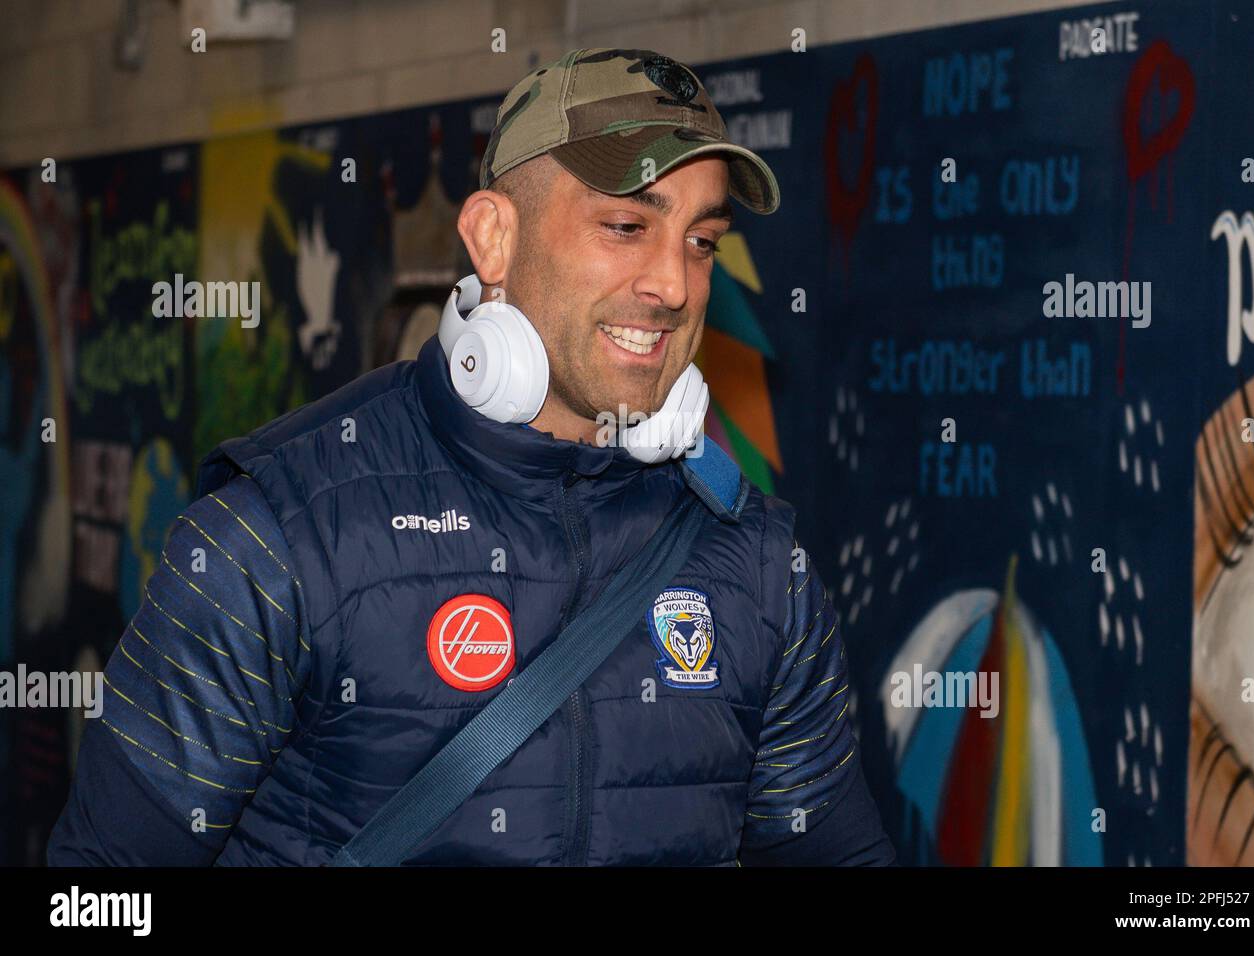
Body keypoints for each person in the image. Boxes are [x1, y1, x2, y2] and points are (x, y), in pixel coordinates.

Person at [48, 47, 895, 866]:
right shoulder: (278, 533)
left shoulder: (755, 564)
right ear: (492, 239)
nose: (673, 285)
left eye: (701, 242)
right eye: (627, 226)